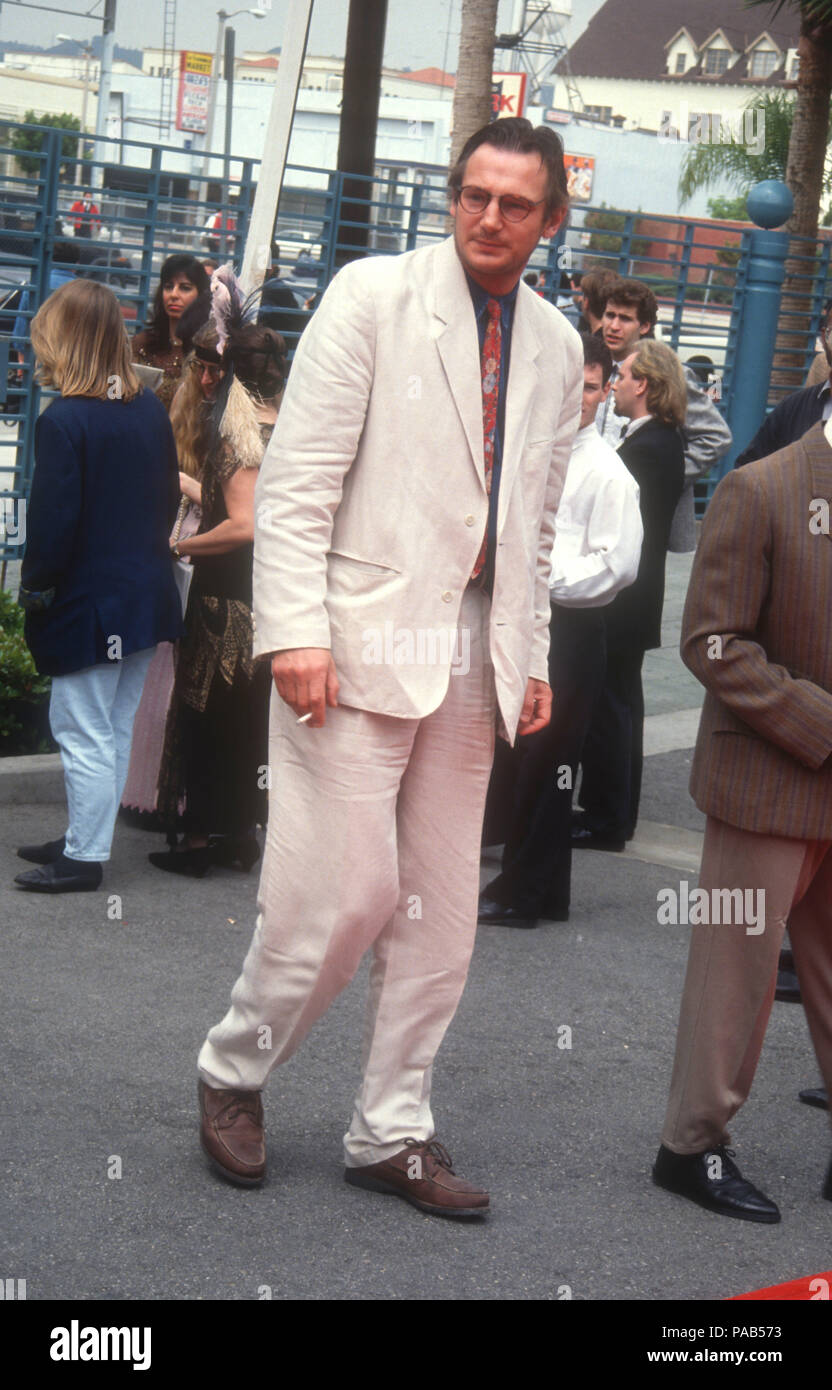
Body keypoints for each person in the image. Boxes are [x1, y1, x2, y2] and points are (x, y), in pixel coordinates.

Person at [194, 116, 583, 1216]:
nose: (488, 218)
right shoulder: (370, 296)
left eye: (515, 203)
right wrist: (295, 631)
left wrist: (530, 647)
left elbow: (536, 520)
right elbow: (300, 479)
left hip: (475, 646)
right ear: (451, 196)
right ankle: (235, 1067)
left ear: (550, 218)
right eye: (472, 194)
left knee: (440, 912)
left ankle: (390, 1129)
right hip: (357, 635)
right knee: (345, 892)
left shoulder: (556, 345)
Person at [653, 414, 832, 1224]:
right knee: (737, 981)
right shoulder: (760, 488)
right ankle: (690, 1149)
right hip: (768, 780)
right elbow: (713, 641)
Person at [13, 279, 182, 894]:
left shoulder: (65, 420)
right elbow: (166, 499)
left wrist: (35, 595)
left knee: (81, 729)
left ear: (64, 340)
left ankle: (83, 856)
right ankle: (88, 838)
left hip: (89, 605)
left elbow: (53, 527)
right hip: (145, 599)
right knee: (111, 729)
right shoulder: (147, 408)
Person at [478, 333, 642, 927]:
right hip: (530, 622)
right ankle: (543, 890)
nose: (580, 398)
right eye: (574, 384)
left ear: (606, 394)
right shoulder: (537, 453)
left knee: (548, 763)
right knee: (526, 758)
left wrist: (542, 580)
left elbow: (617, 566)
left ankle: (523, 891)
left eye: (593, 387)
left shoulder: (609, 474)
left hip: (571, 631)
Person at [149, 306, 284, 877]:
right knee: (248, 720)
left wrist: (179, 549)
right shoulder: (286, 422)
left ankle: (200, 841)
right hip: (269, 588)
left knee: (206, 712)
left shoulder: (237, 430)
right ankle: (238, 835)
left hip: (225, 592)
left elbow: (240, 524)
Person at [575, 340, 685, 851]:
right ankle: (612, 814)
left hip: (625, 599)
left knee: (610, 710)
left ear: (643, 384)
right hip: (637, 599)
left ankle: (607, 817)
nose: (614, 384)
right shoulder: (660, 440)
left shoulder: (649, 448)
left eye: (619, 376)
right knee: (620, 707)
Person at [594, 276, 731, 551]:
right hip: (594, 501)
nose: (614, 326)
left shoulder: (667, 375)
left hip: (643, 514)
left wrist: (669, 476)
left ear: (644, 326)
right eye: (610, 315)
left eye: (625, 319)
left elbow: (716, 436)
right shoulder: (591, 364)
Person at [130, 254, 210, 412]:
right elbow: (114, 392)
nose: (174, 295)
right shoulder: (142, 343)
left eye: (185, 288)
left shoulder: (207, 349)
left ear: (200, 295)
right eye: (168, 286)